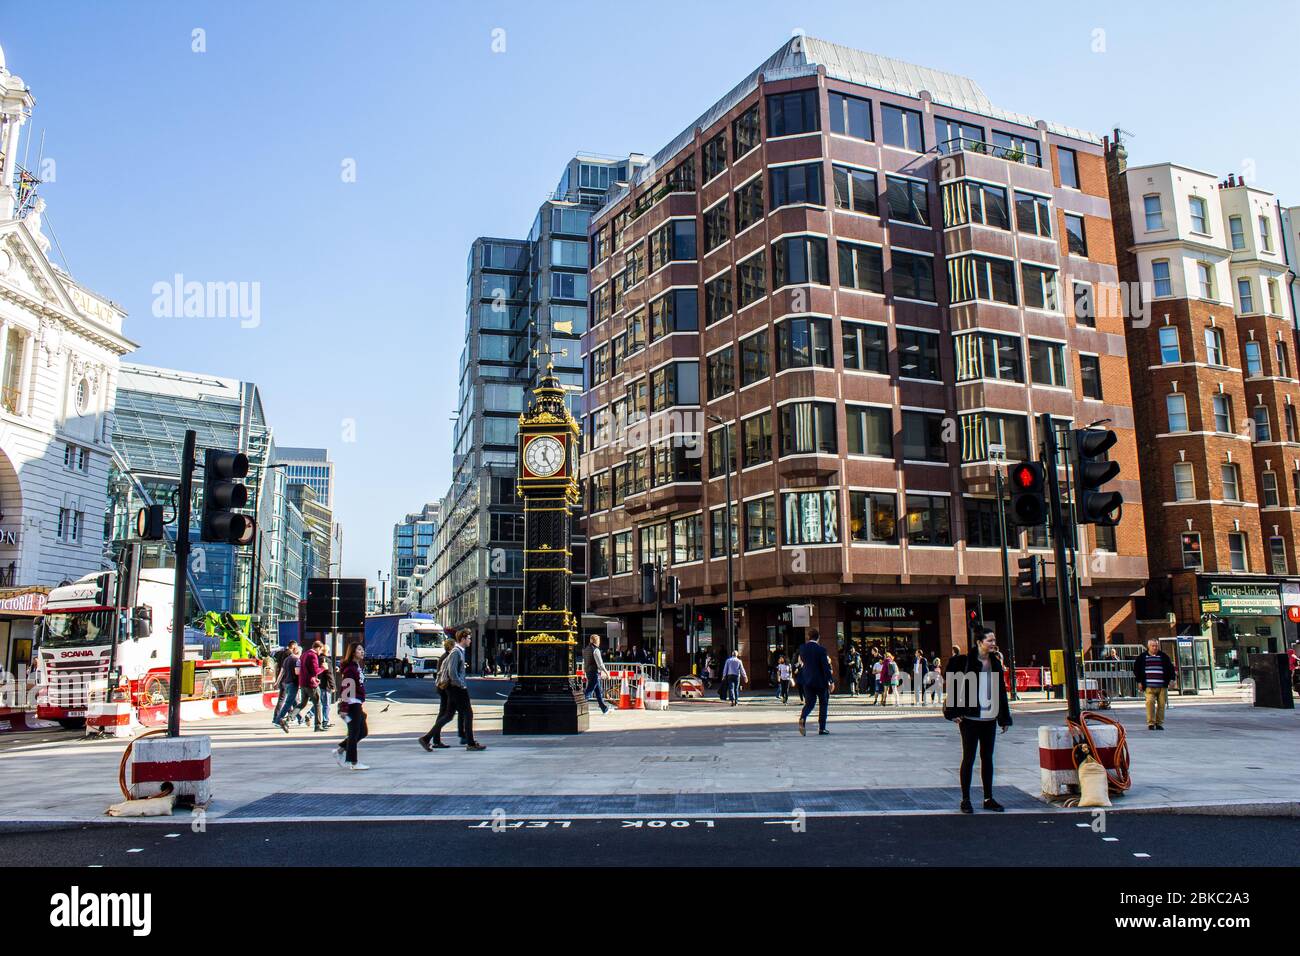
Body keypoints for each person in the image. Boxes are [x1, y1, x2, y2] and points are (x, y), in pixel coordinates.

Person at [943, 627, 1012, 813]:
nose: (993, 643)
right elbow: (953, 686)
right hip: (970, 719)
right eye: (989, 640)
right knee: (969, 758)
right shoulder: (964, 662)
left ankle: (988, 798)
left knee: (987, 758)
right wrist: (952, 711)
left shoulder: (995, 662)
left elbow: (1001, 691)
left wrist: (1004, 718)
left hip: (989, 718)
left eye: (994, 639)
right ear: (979, 642)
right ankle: (965, 799)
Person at [421, 629, 486, 751]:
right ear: (462, 639)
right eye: (469, 638)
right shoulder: (456, 652)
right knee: (468, 713)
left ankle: (426, 738)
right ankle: (471, 743)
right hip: (457, 689)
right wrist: (461, 684)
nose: (470, 640)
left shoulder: (458, 651)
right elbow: (452, 672)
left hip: (454, 688)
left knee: (448, 715)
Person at [335, 643, 369, 770]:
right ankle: (353, 762)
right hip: (351, 703)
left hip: (357, 703)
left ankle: (340, 750)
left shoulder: (356, 666)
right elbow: (346, 687)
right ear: (353, 652)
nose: (362, 651)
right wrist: (344, 708)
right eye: (359, 649)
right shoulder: (350, 669)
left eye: (362, 649)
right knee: (354, 733)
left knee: (363, 731)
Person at [1132, 638, 1176, 730]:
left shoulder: (1163, 656)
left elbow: (1170, 668)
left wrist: (1172, 680)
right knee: (1150, 703)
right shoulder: (1142, 657)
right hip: (1149, 686)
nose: (1155, 647)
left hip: (1162, 686)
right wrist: (1139, 681)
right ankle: (1151, 723)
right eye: (1153, 646)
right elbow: (1136, 669)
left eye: (1156, 646)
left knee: (1161, 705)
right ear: (1148, 646)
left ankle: (1159, 723)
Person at [796, 628, 834, 736]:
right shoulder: (821, 650)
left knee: (809, 703)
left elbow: (802, 662)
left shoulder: (803, 648)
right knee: (823, 703)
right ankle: (822, 728)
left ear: (809, 637)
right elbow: (825, 667)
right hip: (820, 681)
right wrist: (830, 681)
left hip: (807, 680)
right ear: (818, 638)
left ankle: (803, 717)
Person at [281, 640, 325, 732]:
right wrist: (323, 668)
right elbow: (315, 670)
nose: (320, 653)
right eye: (321, 650)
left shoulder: (304, 654)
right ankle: (318, 726)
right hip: (311, 684)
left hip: (303, 683)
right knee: (318, 704)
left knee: (302, 704)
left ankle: (287, 720)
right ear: (318, 648)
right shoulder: (313, 655)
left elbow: (305, 670)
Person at [272, 642, 301, 726]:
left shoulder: (282, 655)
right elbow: (297, 671)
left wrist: (277, 681)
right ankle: (278, 719)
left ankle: (298, 718)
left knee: (292, 701)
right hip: (291, 681)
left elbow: (281, 670)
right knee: (288, 701)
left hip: (284, 681)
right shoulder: (294, 658)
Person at [582, 634, 611, 715]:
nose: (599, 642)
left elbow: (584, 662)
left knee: (598, 691)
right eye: (599, 640)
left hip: (588, 672)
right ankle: (580, 707)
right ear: (596, 641)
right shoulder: (596, 650)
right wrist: (607, 673)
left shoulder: (586, 649)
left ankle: (604, 709)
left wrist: (584, 673)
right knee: (589, 691)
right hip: (594, 672)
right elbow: (600, 664)